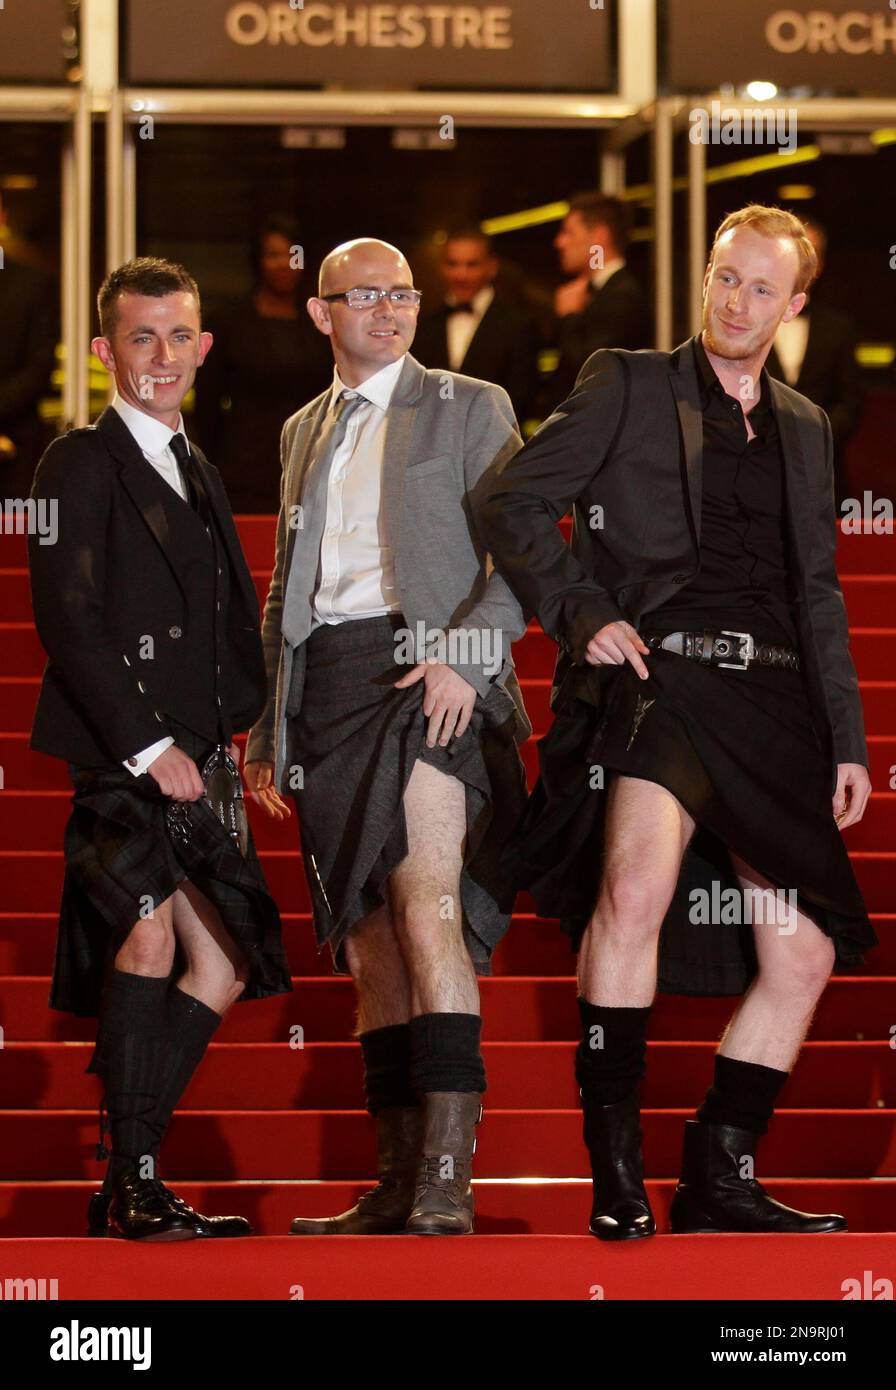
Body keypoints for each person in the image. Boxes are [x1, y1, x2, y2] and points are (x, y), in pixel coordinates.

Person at [480, 204, 875, 1239]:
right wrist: (584, 612)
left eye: (759, 288)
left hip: (776, 698)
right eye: (722, 278)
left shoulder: (802, 422)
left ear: (793, 304)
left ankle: (719, 1174)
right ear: (703, 277)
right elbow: (512, 499)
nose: (734, 303)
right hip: (663, 677)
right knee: (634, 896)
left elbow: (818, 588)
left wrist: (844, 734)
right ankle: (614, 1175)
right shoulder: (628, 380)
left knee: (803, 956)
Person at [244, 237, 531, 1236]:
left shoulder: (469, 401)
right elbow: (289, 585)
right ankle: (396, 1179)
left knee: (425, 907)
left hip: (428, 674)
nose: (389, 309)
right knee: (366, 941)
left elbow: (525, 547)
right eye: (365, 295)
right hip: (326, 682)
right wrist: (267, 715)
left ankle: (447, 1183)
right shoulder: (300, 429)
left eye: (401, 294)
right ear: (320, 312)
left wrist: (465, 654)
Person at [28, 257, 292, 1240]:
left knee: (221, 960)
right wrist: (144, 745)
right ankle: (133, 1182)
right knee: (145, 934)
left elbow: (229, 621)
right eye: (140, 336)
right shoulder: (78, 461)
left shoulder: (201, 465)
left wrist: (248, 733)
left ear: (203, 346)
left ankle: (129, 1171)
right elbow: (68, 616)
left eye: (178, 335)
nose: (161, 356)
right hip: (123, 747)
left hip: (202, 749)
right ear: (104, 350)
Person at [192, 214, 332, 512]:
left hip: (311, 464)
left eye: (293, 255)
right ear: (258, 260)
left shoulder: (323, 323)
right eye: (273, 255)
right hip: (243, 470)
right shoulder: (230, 321)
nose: (284, 264)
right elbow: (207, 404)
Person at [766, 219, 862, 505]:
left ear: (820, 264)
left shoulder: (839, 328)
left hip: (825, 475)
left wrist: (813, 437)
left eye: (812, 253)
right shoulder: (751, 322)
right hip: (757, 472)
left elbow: (851, 403)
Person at [412, 226, 542, 425]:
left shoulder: (518, 326)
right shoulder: (423, 326)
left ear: (492, 267)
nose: (461, 275)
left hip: (495, 447)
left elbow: (521, 400)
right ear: (442, 267)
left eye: (472, 265)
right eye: (453, 264)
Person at [548, 191, 651, 403]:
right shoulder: (598, 292)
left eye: (569, 232)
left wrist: (569, 317)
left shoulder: (623, 295)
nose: (559, 242)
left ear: (598, 237)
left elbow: (591, 373)